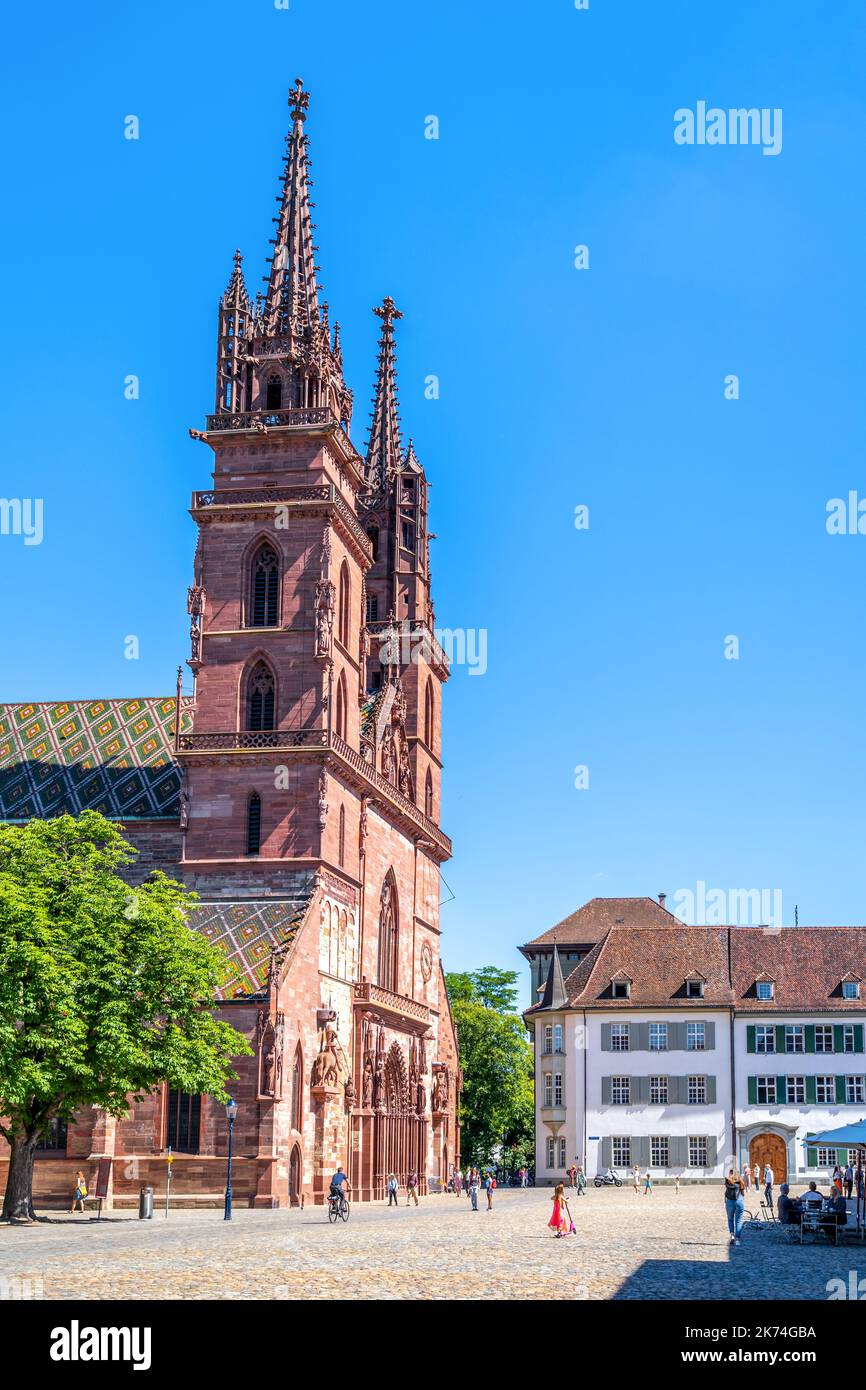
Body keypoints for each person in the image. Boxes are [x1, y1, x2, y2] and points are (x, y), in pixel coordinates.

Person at [724, 1168, 745, 1244]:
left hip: (729, 1201)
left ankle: (732, 1235)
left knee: (730, 1219)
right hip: (739, 1201)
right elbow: (743, 1192)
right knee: (738, 1221)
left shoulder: (727, 1181)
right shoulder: (740, 1181)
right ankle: (737, 1240)